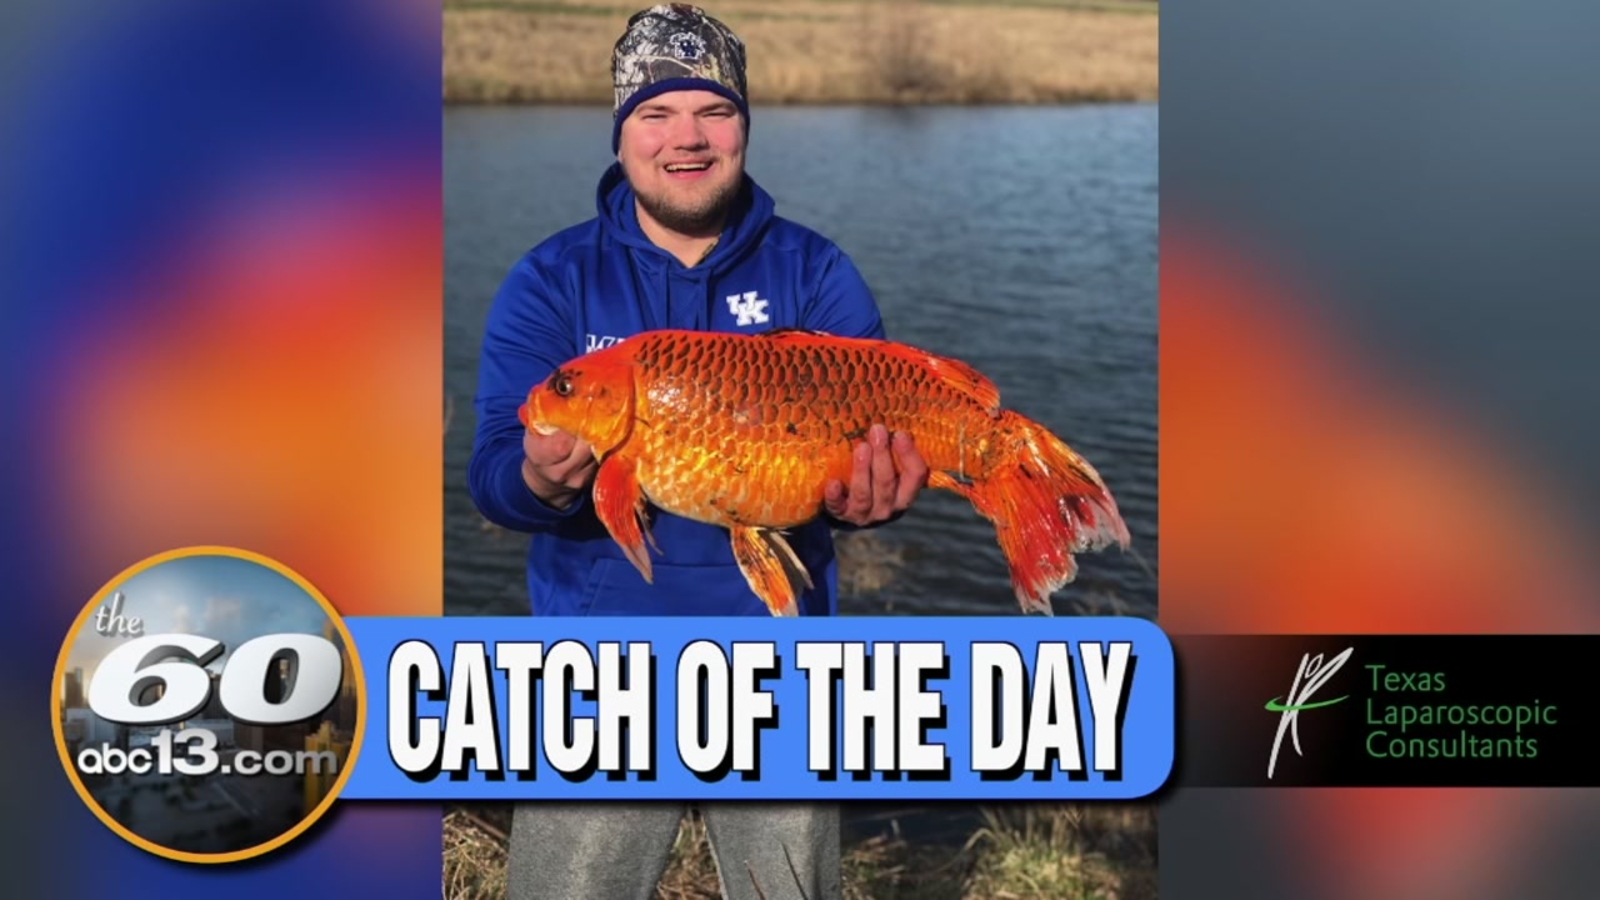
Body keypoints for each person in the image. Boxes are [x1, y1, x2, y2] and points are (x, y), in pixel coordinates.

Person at [468, 5, 928, 899]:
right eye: (657, 113)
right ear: (621, 133)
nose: (688, 137)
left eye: (715, 111)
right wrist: (536, 479)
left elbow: (869, 458)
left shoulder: (816, 272)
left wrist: (874, 500)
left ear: (744, 125)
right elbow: (491, 474)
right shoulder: (552, 279)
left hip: (782, 660)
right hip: (598, 669)